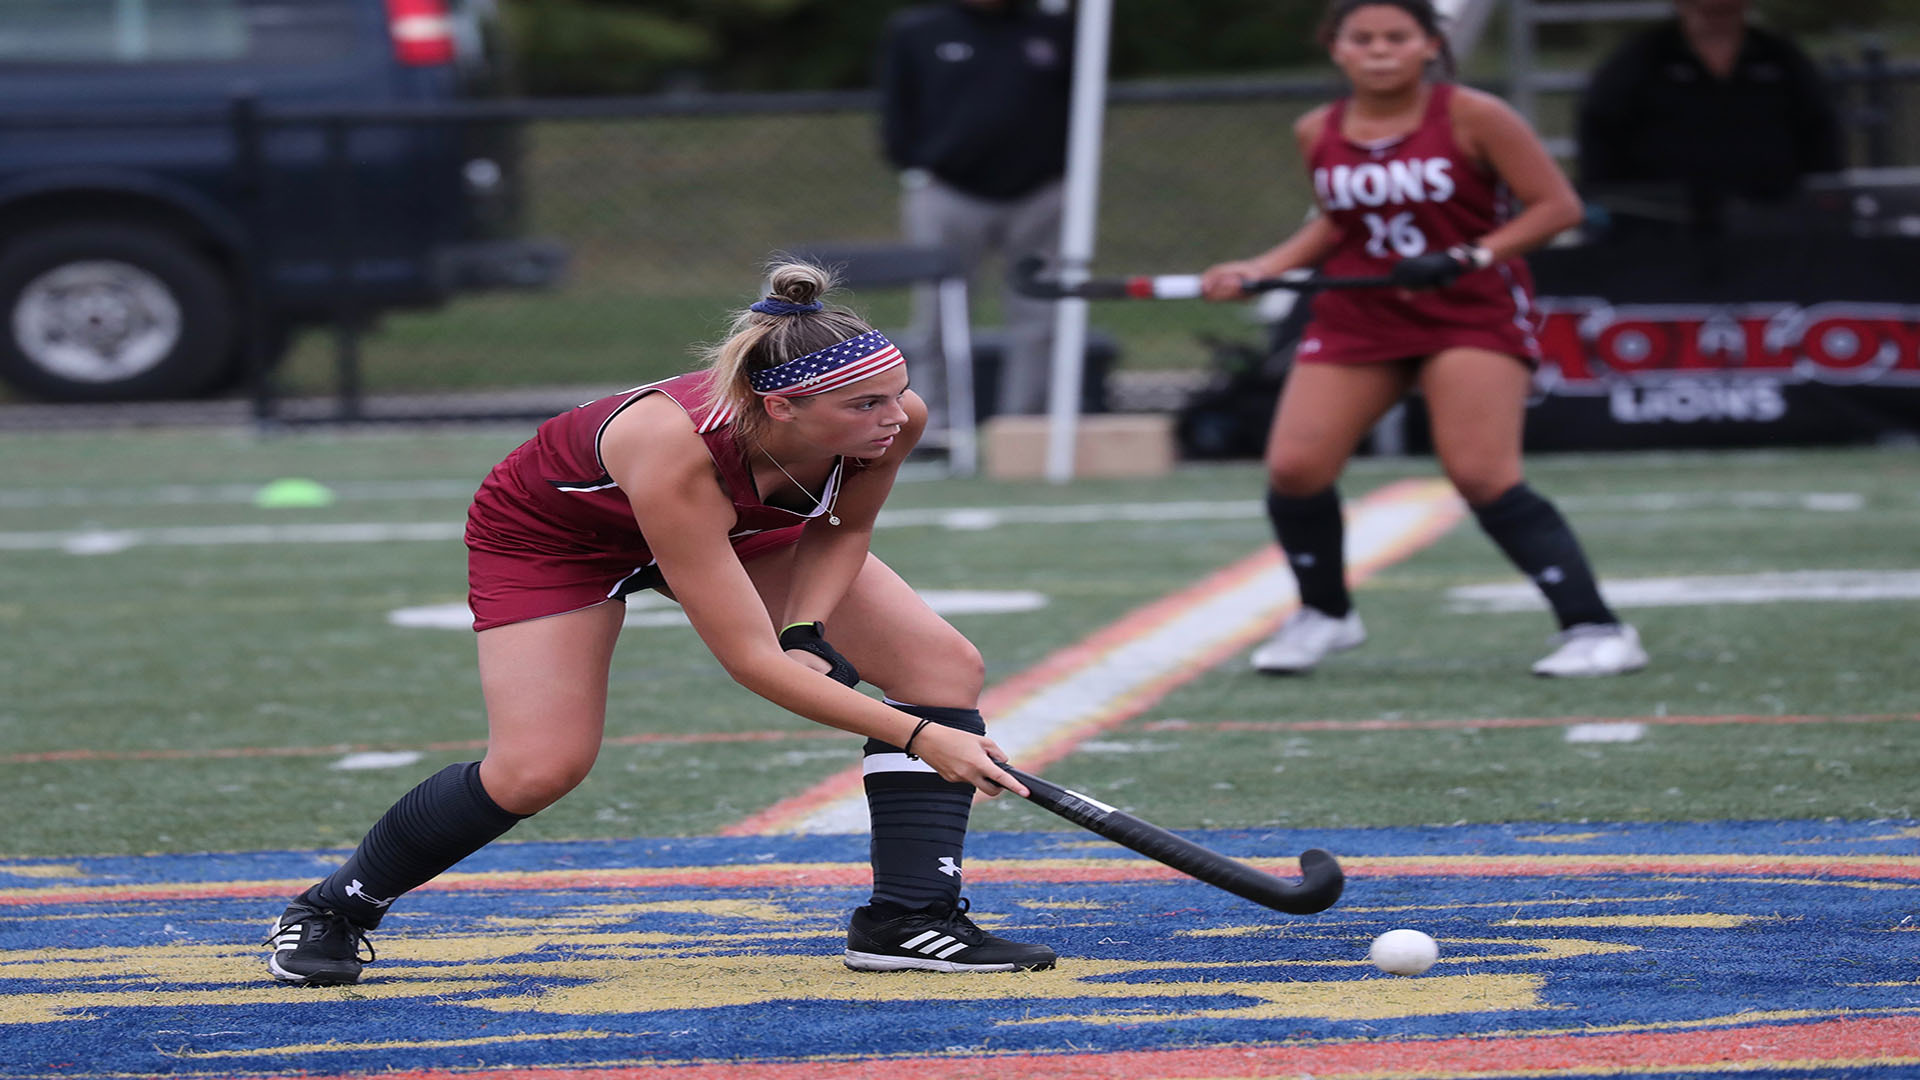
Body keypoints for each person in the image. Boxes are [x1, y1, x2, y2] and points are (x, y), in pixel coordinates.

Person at [264, 262, 1057, 986]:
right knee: (538, 768)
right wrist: (922, 737)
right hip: (557, 539)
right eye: (865, 405)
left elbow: (841, 528)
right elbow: (749, 663)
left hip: (736, 528)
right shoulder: (676, 451)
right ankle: (334, 908)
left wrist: (805, 631)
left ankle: (909, 921)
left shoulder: (893, 418)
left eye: (896, 394)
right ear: (781, 406)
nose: (897, 417)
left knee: (940, 669)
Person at [1199, 0, 1648, 679]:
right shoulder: (1317, 129)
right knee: (1295, 468)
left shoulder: (1476, 116)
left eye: (1396, 37)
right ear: (1336, 48)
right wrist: (1262, 268)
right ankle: (1325, 614)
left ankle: (1596, 628)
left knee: (1481, 474)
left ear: (1430, 45)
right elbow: (1336, 222)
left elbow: (1558, 207)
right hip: (1360, 316)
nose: (1380, 50)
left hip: (1467, 313)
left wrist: (1469, 256)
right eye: (1362, 38)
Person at [877, 0, 1072, 422]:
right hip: (949, 192)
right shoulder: (918, 30)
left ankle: (1025, 424)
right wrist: (920, 163)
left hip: (1039, 194)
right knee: (939, 314)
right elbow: (896, 109)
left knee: (1041, 312)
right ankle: (933, 423)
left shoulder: (1053, 30)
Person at [1577, 0, 1843, 228]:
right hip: (1663, 231)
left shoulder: (1782, 61)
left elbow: (1822, 137)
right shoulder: (1638, 61)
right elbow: (1600, 134)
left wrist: (1820, 208)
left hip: (1770, 226)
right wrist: (1615, 211)